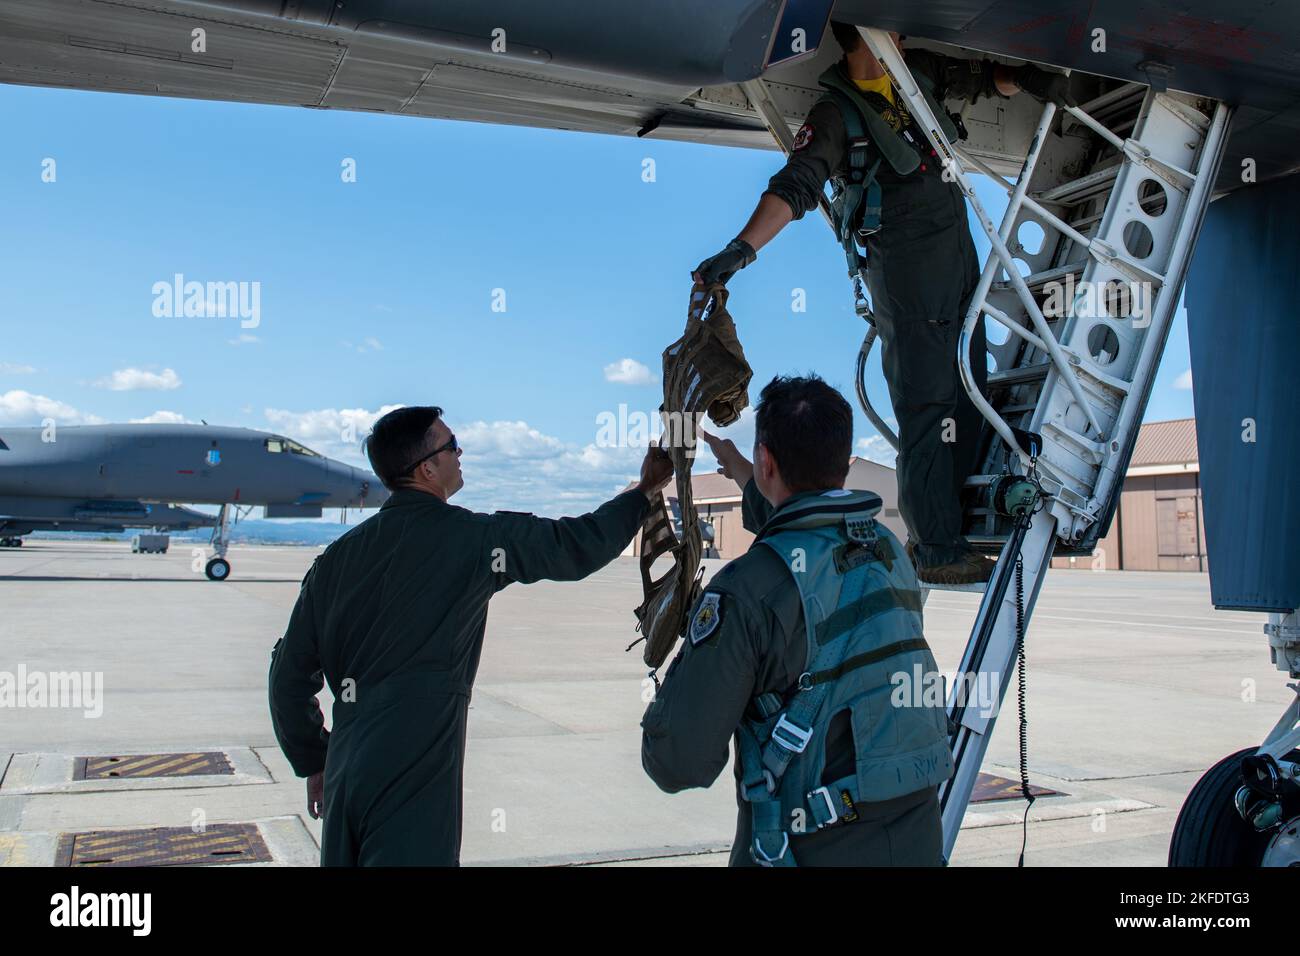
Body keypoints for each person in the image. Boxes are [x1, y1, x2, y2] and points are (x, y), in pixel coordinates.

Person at [692, 23, 1071, 585]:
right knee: (926, 409)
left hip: (959, 269)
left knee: (970, 396)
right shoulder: (834, 116)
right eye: (889, 27)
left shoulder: (917, 74)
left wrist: (1029, 75)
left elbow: (987, 79)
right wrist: (739, 251)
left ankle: (959, 527)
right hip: (908, 282)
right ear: (865, 38)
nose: (900, 33)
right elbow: (795, 186)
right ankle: (937, 548)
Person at [268, 405, 672, 865]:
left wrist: (314, 759)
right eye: (451, 446)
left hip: (345, 767)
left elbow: (287, 680)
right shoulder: (475, 538)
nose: (460, 454)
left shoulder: (335, 560)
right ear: (427, 468)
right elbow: (576, 546)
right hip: (415, 768)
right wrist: (643, 492)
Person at [640, 375, 952, 866]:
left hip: (809, 850)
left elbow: (678, 763)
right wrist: (745, 471)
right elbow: (811, 535)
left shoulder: (745, 590)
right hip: (915, 841)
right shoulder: (889, 552)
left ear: (767, 461)